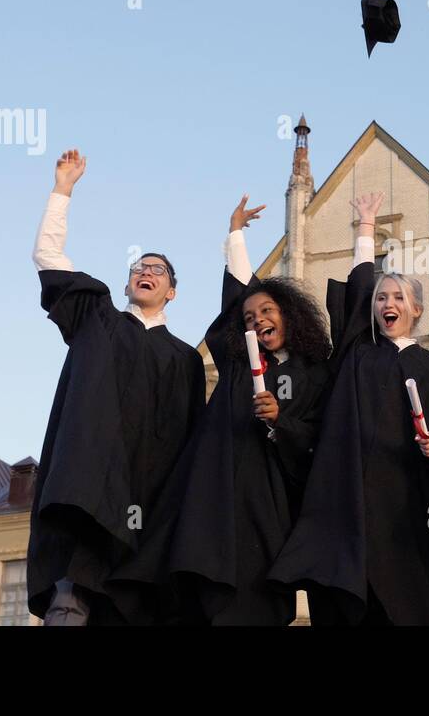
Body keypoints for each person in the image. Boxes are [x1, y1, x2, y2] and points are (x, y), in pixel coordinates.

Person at [107, 195, 333, 625]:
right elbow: (237, 296)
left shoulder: (314, 375)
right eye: (250, 318)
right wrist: (235, 236)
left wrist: (280, 422)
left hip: (265, 509)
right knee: (196, 592)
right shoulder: (236, 368)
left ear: (290, 317)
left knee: (253, 600)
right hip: (210, 500)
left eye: (268, 311)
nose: (257, 320)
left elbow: (316, 443)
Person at [269, 192, 429, 626]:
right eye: (381, 299)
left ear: (416, 310)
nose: (388, 304)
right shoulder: (356, 355)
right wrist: (365, 229)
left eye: (398, 297)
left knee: (404, 607)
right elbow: (360, 291)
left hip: (406, 510)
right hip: (346, 506)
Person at [27, 149, 205, 625]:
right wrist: (63, 189)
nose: (146, 273)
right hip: (88, 496)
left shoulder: (186, 359)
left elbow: (190, 443)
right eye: (138, 268)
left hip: (146, 509)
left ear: (173, 291)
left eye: (158, 271)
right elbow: (49, 258)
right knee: (73, 600)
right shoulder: (97, 317)